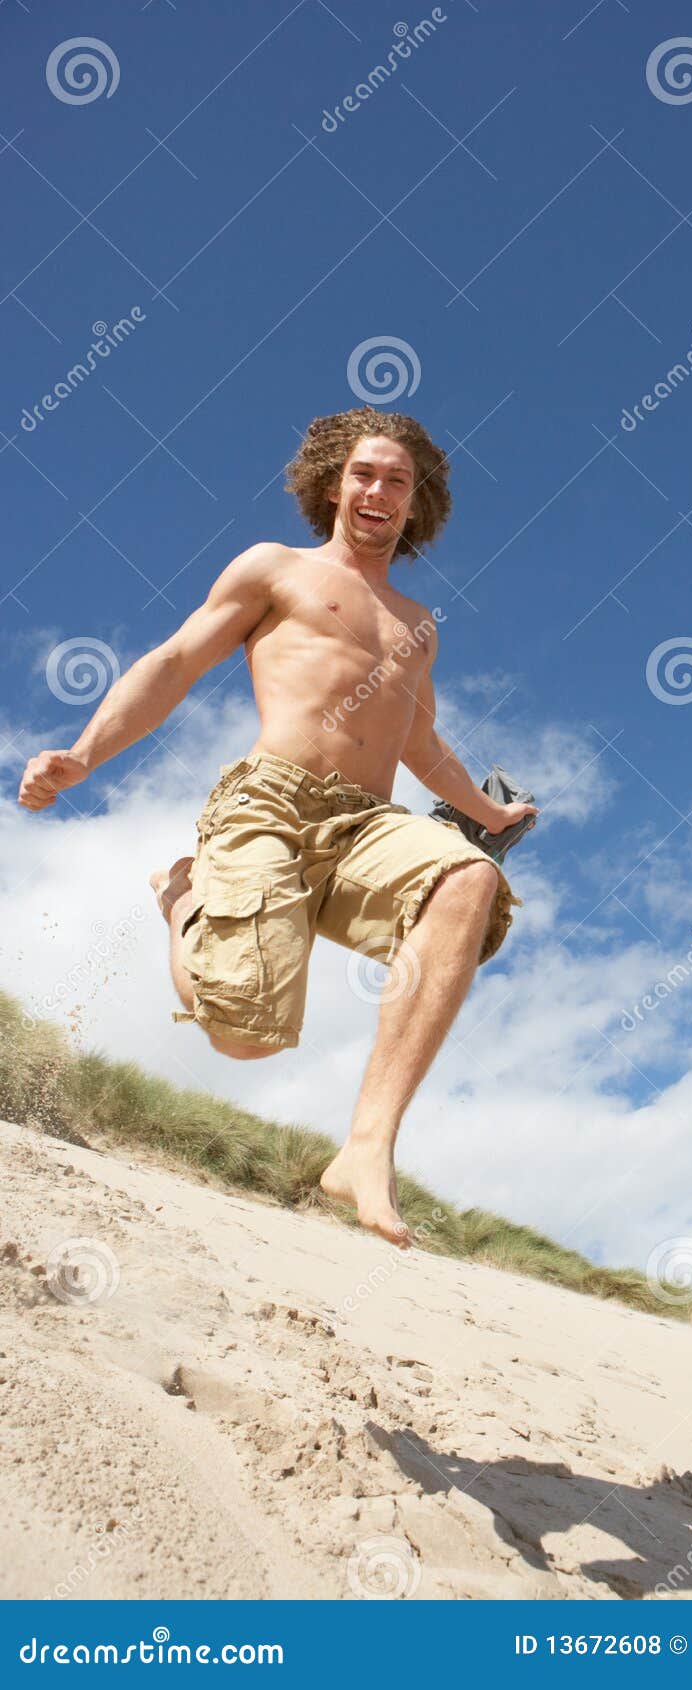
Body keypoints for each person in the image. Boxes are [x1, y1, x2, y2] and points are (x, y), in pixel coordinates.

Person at [17, 408, 538, 1248]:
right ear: (334, 485)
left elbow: (421, 745)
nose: (378, 491)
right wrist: (83, 754)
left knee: (468, 879)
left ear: (415, 503)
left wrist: (490, 816)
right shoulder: (275, 567)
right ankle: (183, 897)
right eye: (364, 474)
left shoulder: (417, 626)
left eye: (397, 481)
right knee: (245, 1039)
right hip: (269, 804)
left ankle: (366, 1150)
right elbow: (176, 660)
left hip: (367, 823)